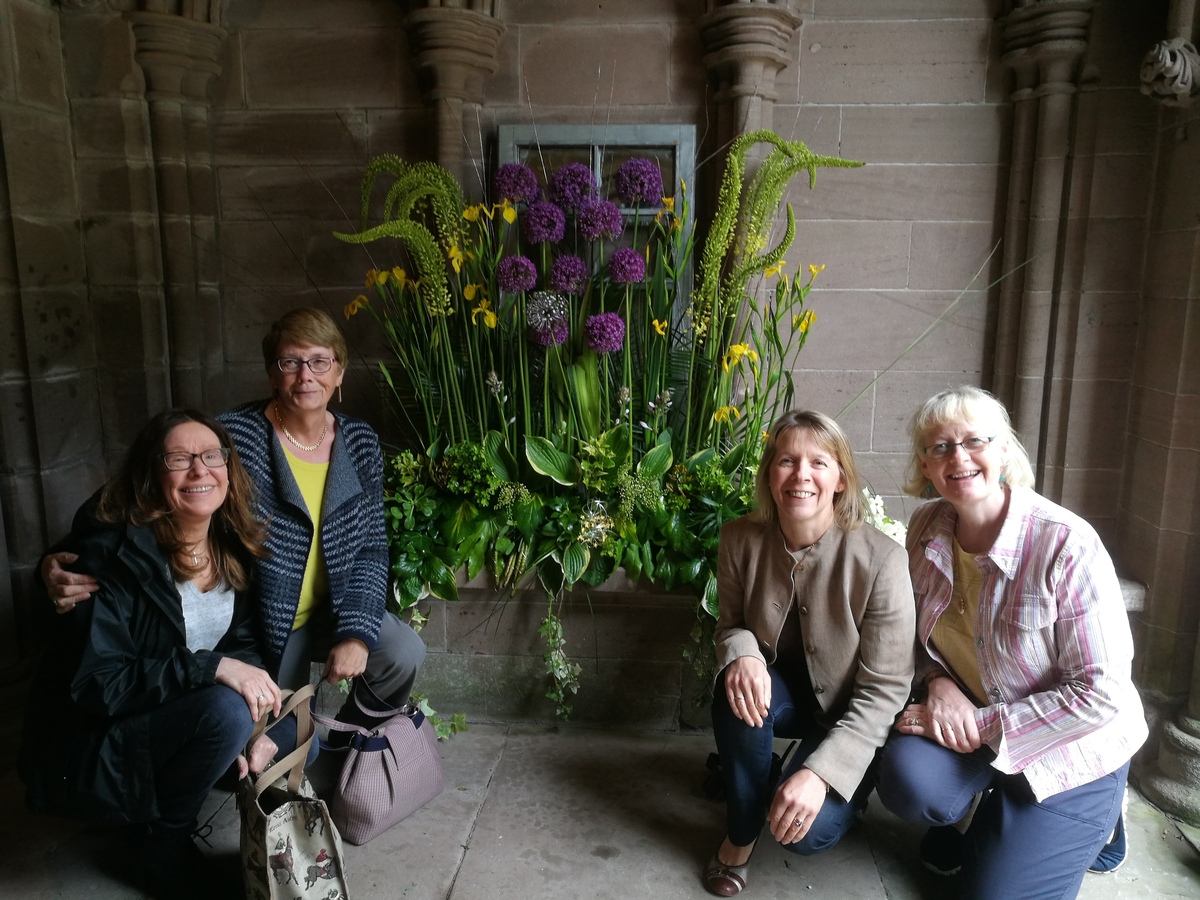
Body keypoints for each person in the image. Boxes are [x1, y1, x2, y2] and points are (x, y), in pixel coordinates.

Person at [44, 307, 426, 729]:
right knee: (284, 742)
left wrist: (355, 633)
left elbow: (372, 547)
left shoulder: (360, 441)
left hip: (332, 609)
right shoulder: (233, 434)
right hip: (262, 623)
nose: (306, 375)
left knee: (402, 652)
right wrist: (56, 559)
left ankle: (354, 742)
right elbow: (121, 497)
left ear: (339, 374)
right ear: (271, 373)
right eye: (290, 362)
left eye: (320, 361)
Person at [876, 385, 1146, 899]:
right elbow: (908, 629)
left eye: (975, 440)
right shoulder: (927, 526)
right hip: (972, 717)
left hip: (1071, 749)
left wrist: (978, 727)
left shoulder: (1067, 544)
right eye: (940, 447)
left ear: (1004, 451)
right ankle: (981, 804)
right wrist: (935, 683)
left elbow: (1102, 694)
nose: (958, 457)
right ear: (926, 466)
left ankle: (1103, 820)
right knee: (909, 784)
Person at [19, 410, 296, 899]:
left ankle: (212, 756)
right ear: (151, 475)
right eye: (178, 459)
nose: (199, 470)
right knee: (227, 711)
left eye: (212, 456)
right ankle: (159, 839)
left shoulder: (232, 544)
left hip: (178, 708)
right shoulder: (111, 557)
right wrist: (213, 670)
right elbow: (99, 683)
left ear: (229, 470)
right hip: (111, 730)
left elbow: (245, 643)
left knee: (291, 729)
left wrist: (257, 723)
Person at [703, 410, 916, 897]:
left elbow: (885, 691)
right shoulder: (739, 538)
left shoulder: (882, 559)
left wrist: (822, 774)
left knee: (805, 837)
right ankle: (740, 833)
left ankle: (836, 788)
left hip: (848, 716)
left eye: (819, 463)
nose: (801, 475)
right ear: (769, 475)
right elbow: (729, 624)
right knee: (735, 688)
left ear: (841, 478)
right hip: (775, 695)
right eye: (786, 461)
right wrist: (744, 654)